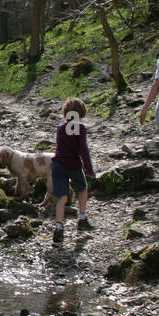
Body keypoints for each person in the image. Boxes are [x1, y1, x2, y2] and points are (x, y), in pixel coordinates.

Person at [52, 97, 97, 243]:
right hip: (73, 165)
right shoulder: (80, 129)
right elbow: (83, 149)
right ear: (81, 113)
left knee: (62, 197)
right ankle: (82, 218)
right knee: (82, 189)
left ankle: (58, 228)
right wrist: (89, 168)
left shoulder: (60, 127)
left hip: (58, 164)